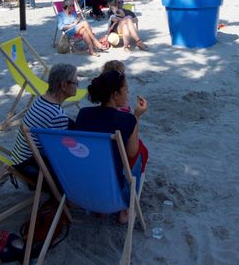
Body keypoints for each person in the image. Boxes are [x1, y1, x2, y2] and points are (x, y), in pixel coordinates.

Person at [72, 69, 148, 222]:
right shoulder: (126, 119)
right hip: (113, 192)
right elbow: (131, 153)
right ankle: (126, 210)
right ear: (115, 95)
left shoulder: (83, 114)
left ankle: (101, 211)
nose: (127, 94)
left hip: (83, 188)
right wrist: (137, 116)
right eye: (125, 90)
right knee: (141, 152)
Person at [10, 62, 78, 178]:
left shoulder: (41, 99)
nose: (77, 85)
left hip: (18, 159)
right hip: (31, 168)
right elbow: (60, 153)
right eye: (75, 82)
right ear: (64, 85)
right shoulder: (57, 114)